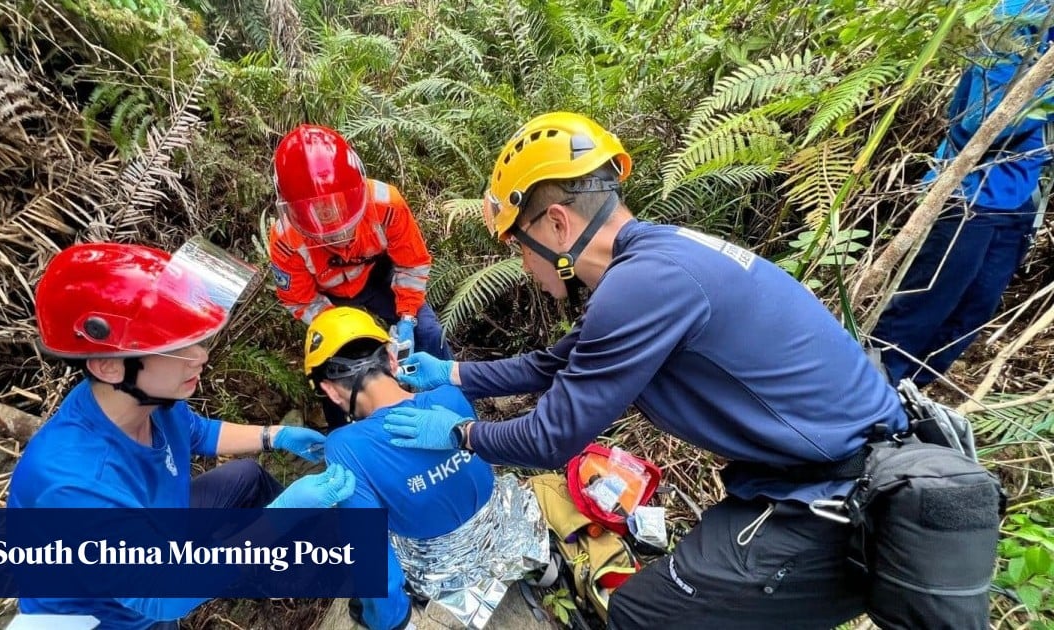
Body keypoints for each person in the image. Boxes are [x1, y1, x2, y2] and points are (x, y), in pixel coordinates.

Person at [380, 113, 997, 628]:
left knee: (642, 614)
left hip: (837, 497)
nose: (522, 262)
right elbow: (556, 362)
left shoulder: (641, 287)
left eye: (518, 244)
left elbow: (551, 439)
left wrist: (459, 435)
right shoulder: (659, 256)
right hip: (803, 473)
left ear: (557, 226)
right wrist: (454, 375)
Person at [8, 238, 357, 630]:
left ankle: (301, 570)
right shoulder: (71, 485)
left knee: (245, 477)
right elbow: (162, 594)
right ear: (109, 367)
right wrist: (281, 516)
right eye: (178, 347)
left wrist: (273, 436)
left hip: (157, 527)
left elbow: (196, 431)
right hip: (118, 614)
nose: (201, 356)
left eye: (196, 339)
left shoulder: (145, 399)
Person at [304, 307, 545, 630]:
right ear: (392, 359)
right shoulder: (448, 393)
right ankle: (544, 569)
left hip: (438, 564)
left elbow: (373, 556)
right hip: (504, 526)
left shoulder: (344, 447)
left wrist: (394, 621)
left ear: (331, 391)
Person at [871, 0, 1054, 387]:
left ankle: (905, 399)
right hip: (969, 191)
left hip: (1017, 198)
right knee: (921, 309)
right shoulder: (1019, 18)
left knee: (972, 311)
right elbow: (986, 119)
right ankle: (864, 399)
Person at [268, 123, 453, 430]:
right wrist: (350, 331)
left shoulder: (385, 204)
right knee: (332, 366)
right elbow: (299, 300)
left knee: (429, 332)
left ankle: (450, 400)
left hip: (379, 279)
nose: (339, 237)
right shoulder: (286, 239)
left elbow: (412, 264)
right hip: (330, 301)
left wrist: (406, 318)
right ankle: (350, 437)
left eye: (345, 223)